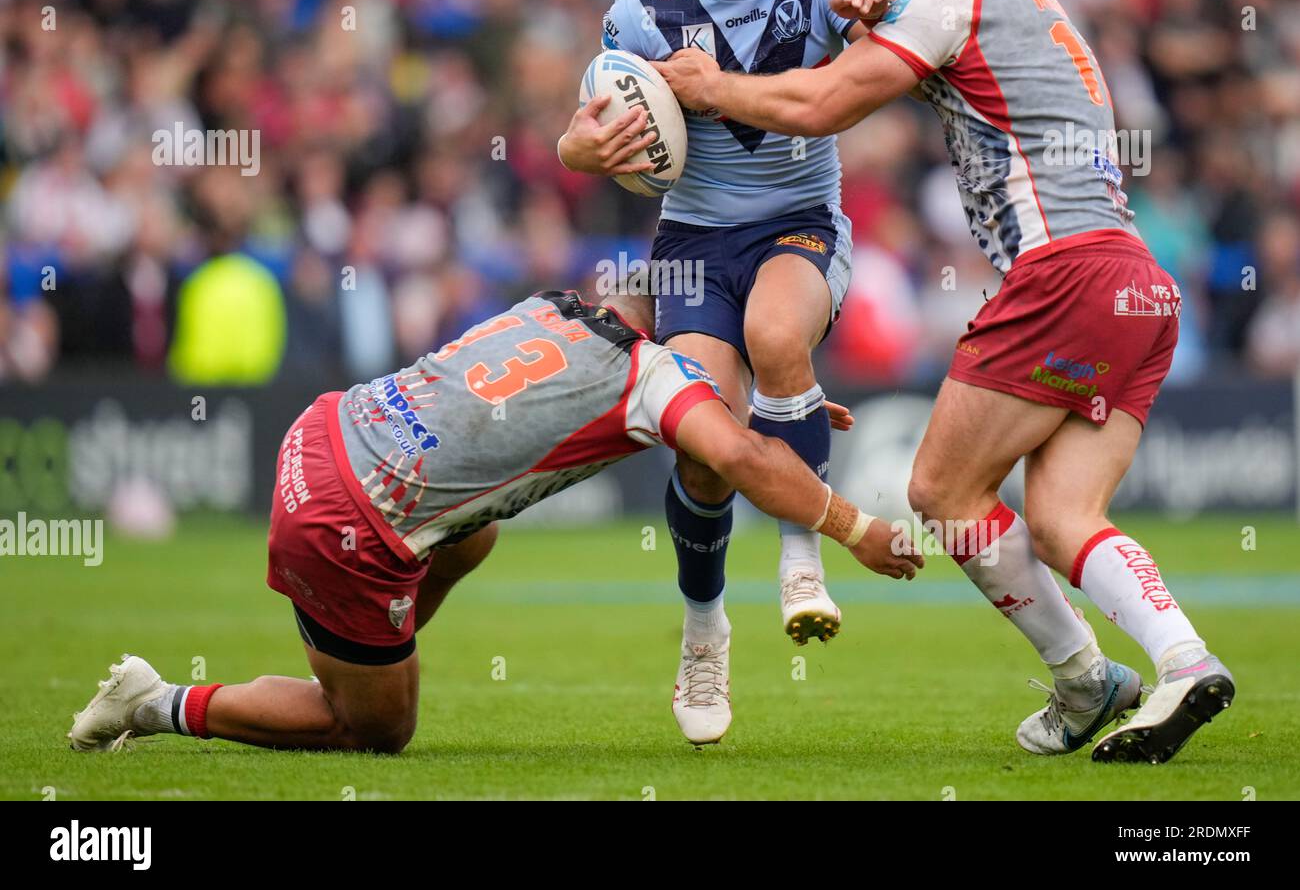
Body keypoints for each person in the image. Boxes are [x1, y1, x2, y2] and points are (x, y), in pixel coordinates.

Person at [652, 0, 1233, 765]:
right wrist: (868, 11)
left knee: (940, 489)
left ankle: (1086, 680)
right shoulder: (1040, 2)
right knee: (1061, 518)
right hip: (1139, 285)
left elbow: (821, 107)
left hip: (1063, 276)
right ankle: (1182, 659)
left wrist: (712, 85)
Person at [68, 288, 920, 755]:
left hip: (327, 427)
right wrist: (855, 528)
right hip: (350, 516)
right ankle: (157, 701)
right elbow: (735, 459)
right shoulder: (660, 383)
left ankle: (376, 646)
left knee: (474, 533)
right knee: (371, 730)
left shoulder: (555, 303)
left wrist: (755, 406)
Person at [558, 0, 869, 745]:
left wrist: (875, 5)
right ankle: (704, 632)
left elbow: (881, 59)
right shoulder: (645, 4)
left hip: (799, 222)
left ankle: (803, 555)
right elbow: (580, 131)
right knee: (698, 440)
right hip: (691, 242)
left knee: (779, 337)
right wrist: (585, 149)